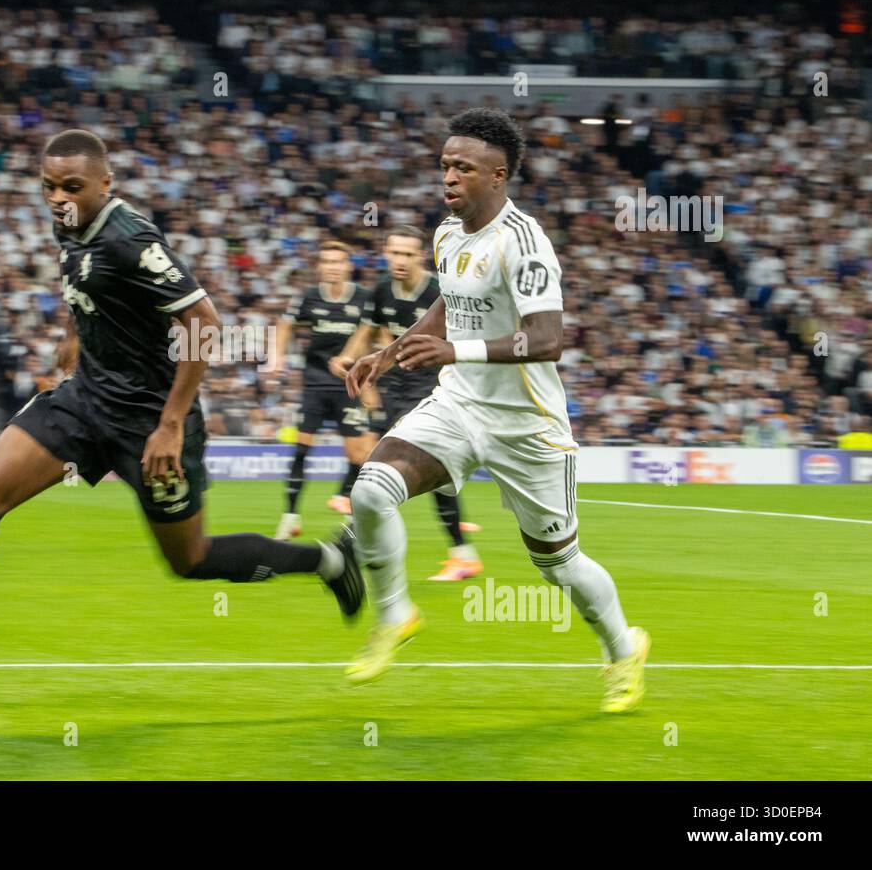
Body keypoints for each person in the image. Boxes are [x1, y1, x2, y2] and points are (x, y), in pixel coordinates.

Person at [0, 129, 363, 697]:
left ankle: (327, 561)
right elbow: (87, 285)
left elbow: (203, 323)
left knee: (191, 559)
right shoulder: (69, 223)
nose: (58, 198)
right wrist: (72, 337)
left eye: (72, 187)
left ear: (106, 183)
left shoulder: (131, 238)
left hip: (151, 421)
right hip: (86, 400)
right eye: (48, 186)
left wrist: (171, 424)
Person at [342, 109, 650, 712]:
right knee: (372, 490)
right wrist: (389, 352)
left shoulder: (525, 243)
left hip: (527, 427)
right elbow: (448, 306)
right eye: (444, 166)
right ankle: (395, 615)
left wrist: (455, 349)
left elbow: (547, 338)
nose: (449, 177)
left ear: (498, 175)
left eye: (463, 168)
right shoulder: (447, 234)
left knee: (559, 566)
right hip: (460, 405)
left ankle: (623, 649)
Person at [331, 226, 483, 581]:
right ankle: (461, 554)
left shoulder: (437, 291)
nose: (399, 260)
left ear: (421, 257)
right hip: (395, 385)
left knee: (389, 459)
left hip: (433, 385)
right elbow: (368, 330)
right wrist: (348, 357)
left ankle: (357, 538)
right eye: (394, 253)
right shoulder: (382, 289)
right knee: (424, 474)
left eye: (407, 254)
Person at [268, 241, 375, 539]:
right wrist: (277, 357)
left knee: (358, 456)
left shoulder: (365, 299)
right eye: (326, 261)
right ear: (320, 266)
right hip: (315, 383)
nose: (332, 266)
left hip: (350, 385)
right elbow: (285, 326)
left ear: (348, 266)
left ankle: (350, 511)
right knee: (301, 449)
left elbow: (377, 333)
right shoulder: (309, 297)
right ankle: (290, 516)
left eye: (338, 261)